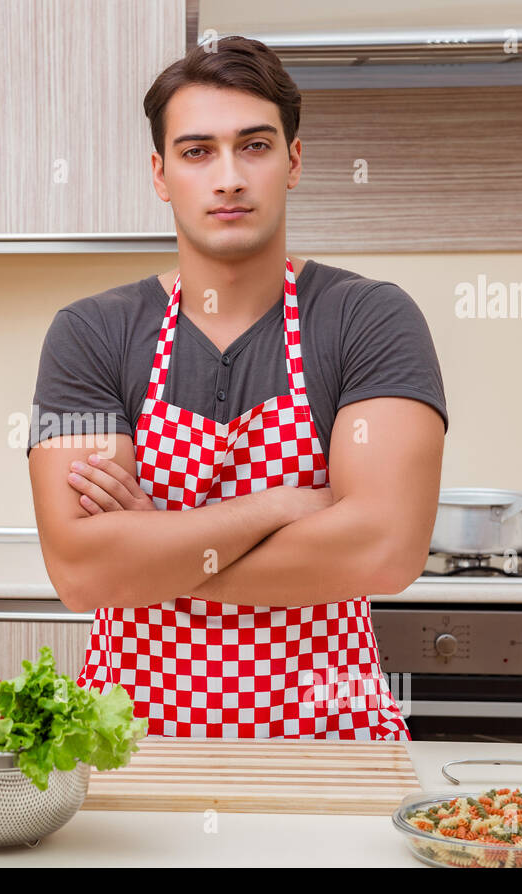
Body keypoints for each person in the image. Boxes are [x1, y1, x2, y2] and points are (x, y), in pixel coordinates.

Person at [26, 36, 447, 739]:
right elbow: (81, 571)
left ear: (294, 161)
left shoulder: (370, 318)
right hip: (129, 747)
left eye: (254, 146)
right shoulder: (91, 333)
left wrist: (153, 550)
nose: (228, 177)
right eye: (197, 152)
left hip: (332, 742)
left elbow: (385, 548)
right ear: (161, 174)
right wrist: (282, 506)